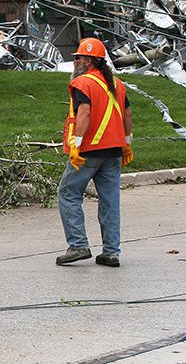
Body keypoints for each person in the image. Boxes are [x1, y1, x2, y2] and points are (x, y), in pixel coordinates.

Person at [56, 37, 133, 267]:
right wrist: (127, 143)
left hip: (89, 151)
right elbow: (127, 115)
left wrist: (77, 145)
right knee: (110, 201)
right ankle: (111, 252)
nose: (74, 62)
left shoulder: (84, 84)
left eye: (78, 58)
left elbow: (85, 114)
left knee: (68, 193)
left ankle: (78, 245)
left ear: (88, 61)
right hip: (113, 152)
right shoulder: (117, 84)